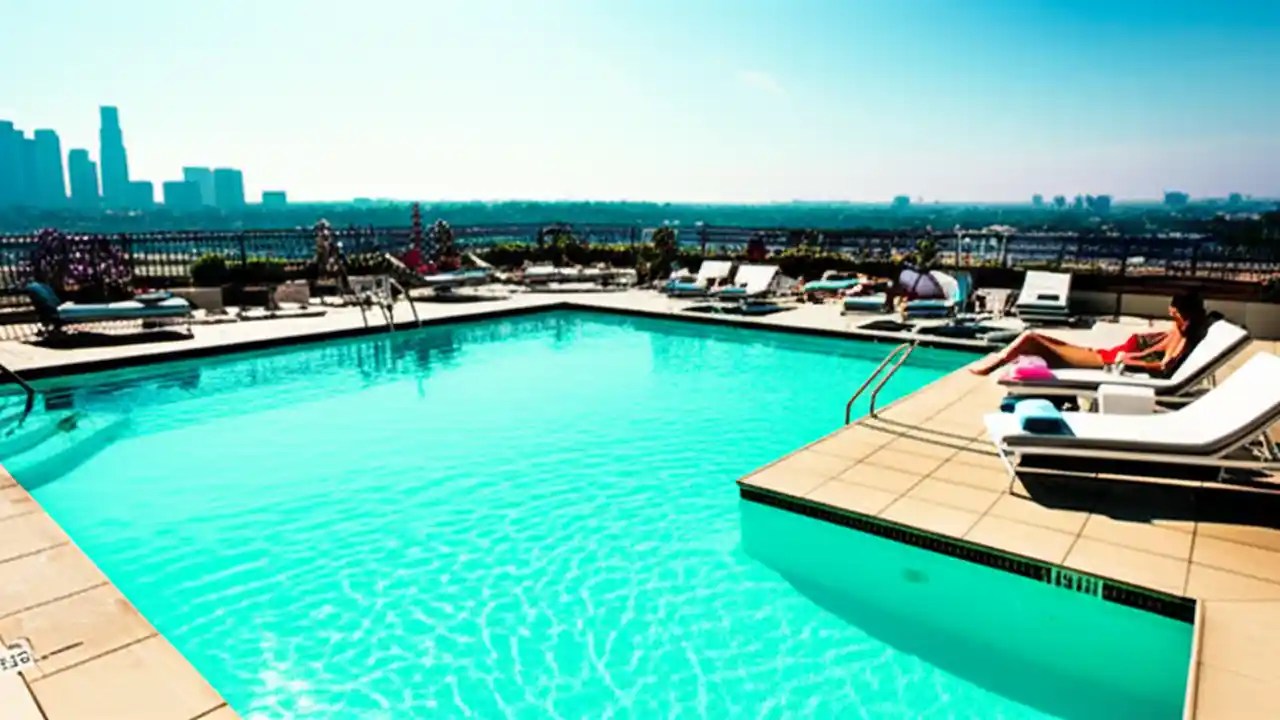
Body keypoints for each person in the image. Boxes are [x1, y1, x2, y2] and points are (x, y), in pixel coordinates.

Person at [969, 290, 1213, 376]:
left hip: (1101, 362)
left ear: (1184, 315)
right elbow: (1154, 354)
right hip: (1103, 354)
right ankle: (1002, 358)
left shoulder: (1183, 339)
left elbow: (1162, 368)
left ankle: (995, 364)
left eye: (1174, 315)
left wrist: (1127, 361)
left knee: (1031, 338)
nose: (1171, 319)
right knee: (1037, 337)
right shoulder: (1178, 331)